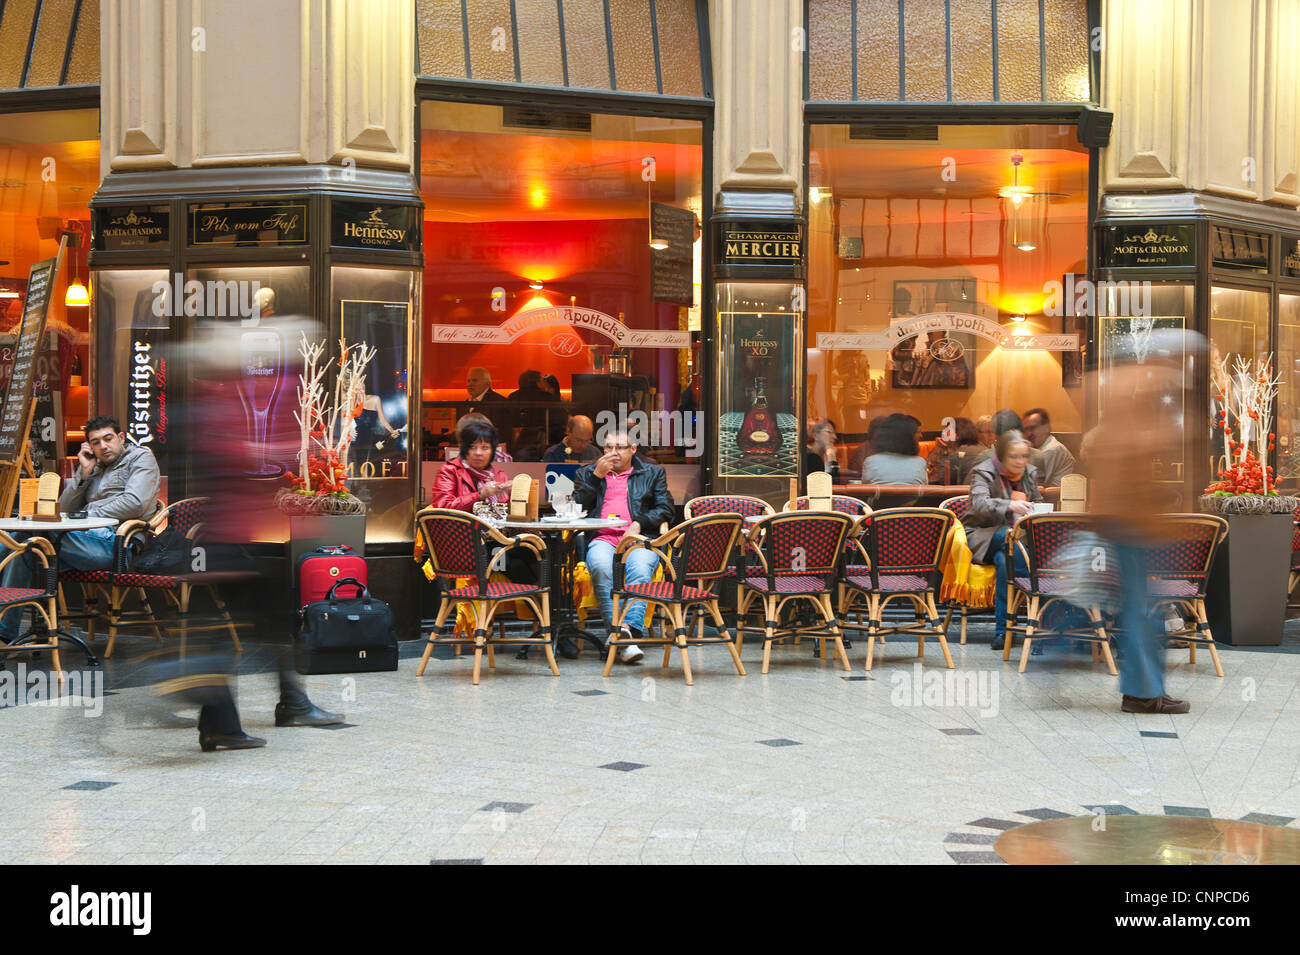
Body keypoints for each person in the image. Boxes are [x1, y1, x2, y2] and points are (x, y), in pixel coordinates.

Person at [0, 416, 159, 644]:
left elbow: (135, 503)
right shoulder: (94, 466)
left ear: (121, 438)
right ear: (89, 446)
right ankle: (5, 635)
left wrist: (88, 510)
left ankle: (5, 633)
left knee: (25, 539)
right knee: (25, 550)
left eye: (108, 439)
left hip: (115, 546)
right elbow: (64, 508)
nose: (103, 446)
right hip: (79, 543)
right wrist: (84, 475)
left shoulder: (141, 458)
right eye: (96, 442)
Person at [572, 430, 675, 665]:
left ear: (633, 449)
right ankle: (624, 638)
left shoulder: (652, 472)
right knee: (600, 566)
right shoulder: (587, 472)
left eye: (620, 447)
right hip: (603, 538)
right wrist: (596, 477)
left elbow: (666, 508)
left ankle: (622, 632)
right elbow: (575, 508)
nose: (613, 453)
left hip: (637, 539)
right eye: (608, 448)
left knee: (640, 568)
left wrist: (640, 523)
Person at [963, 429, 1043, 651]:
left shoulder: (1029, 473)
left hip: (1017, 540)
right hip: (984, 535)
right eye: (1014, 457)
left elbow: (1037, 500)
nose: (1020, 462)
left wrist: (1035, 508)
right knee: (1009, 539)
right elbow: (979, 505)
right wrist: (1008, 504)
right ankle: (1037, 621)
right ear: (1001, 456)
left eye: (1024, 456)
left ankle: (1003, 630)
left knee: (1004, 561)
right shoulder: (983, 472)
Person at [431, 418, 510, 510]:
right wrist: (480, 495)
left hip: (493, 524)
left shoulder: (500, 475)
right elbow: (443, 507)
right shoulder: (449, 471)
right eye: (472, 447)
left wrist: (516, 494)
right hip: (461, 524)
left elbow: (506, 512)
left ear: (493, 451)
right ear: (464, 449)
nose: (478, 453)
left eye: (485, 447)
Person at [971, 409, 1047, 477]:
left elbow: (969, 488)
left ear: (996, 433)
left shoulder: (986, 457)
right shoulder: (1038, 456)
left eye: (991, 431)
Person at [860, 413, 927, 484]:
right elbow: (925, 489)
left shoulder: (870, 462)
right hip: (912, 495)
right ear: (910, 438)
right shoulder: (920, 463)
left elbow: (865, 491)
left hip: (880, 495)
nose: (921, 436)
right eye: (917, 432)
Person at [1021, 407, 1077, 487]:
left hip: (1055, 499)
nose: (1028, 434)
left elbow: (1031, 484)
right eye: (1025, 430)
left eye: (1032, 428)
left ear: (1046, 428)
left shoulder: (1051, 450)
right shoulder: (1040, 447)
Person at [926, 416, 984, 484]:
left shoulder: (958, 454)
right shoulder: (982, 448)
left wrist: (942, 449)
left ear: (957, 435)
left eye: (948, 431)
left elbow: (943, 479)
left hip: (963, 492)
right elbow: (929, 465)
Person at [805, 418, 841, 482]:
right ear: (815, 435)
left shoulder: (810, 454)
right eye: (829, 432)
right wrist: (832, 456)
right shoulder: (812, 458)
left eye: (834, 433)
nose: (835, 437)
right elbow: (831, 486)